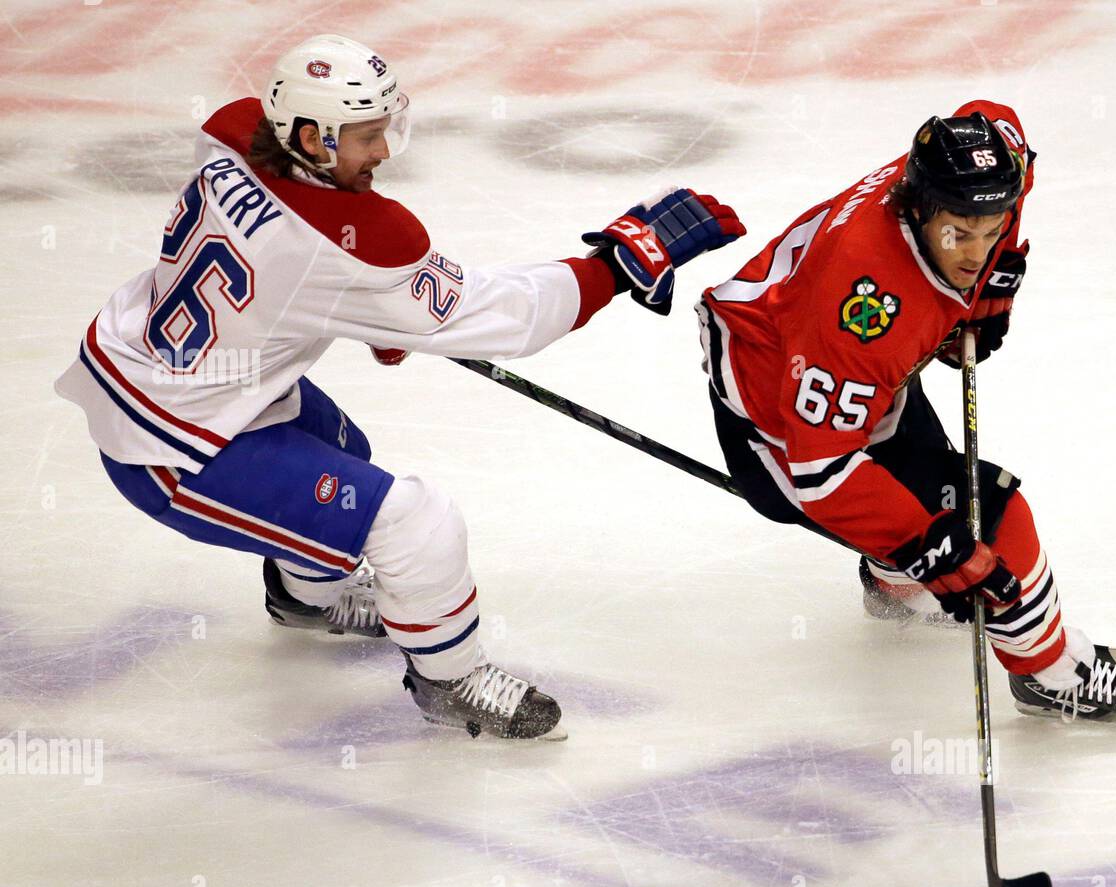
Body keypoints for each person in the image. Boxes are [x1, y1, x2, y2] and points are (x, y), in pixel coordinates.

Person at [55, 34, 745, 741]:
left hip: (171, 368)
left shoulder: (233, 140)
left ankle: (307, 598)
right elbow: (507, 318)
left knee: (342, 447)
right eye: (365, 136)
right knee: (418, 523)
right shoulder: (349, 240)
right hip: (173, 444)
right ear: (309, 137)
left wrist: (381, 310)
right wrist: (617, 265)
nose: (383, 151)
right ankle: (453, 681)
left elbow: (290, 273)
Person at [696, 102, 1116, 723]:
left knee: (921, 472)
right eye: (958, 235)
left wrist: (995, 281)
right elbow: (822, 471)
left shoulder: (970, 171)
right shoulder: (867, 313)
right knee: (991, 515)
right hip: (776, 415)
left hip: (817, 347)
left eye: (989, 229)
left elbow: (992, 123)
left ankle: (895, 583)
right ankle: (1049, 675)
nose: (974, 251)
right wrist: (926, 545)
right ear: (917, 208)